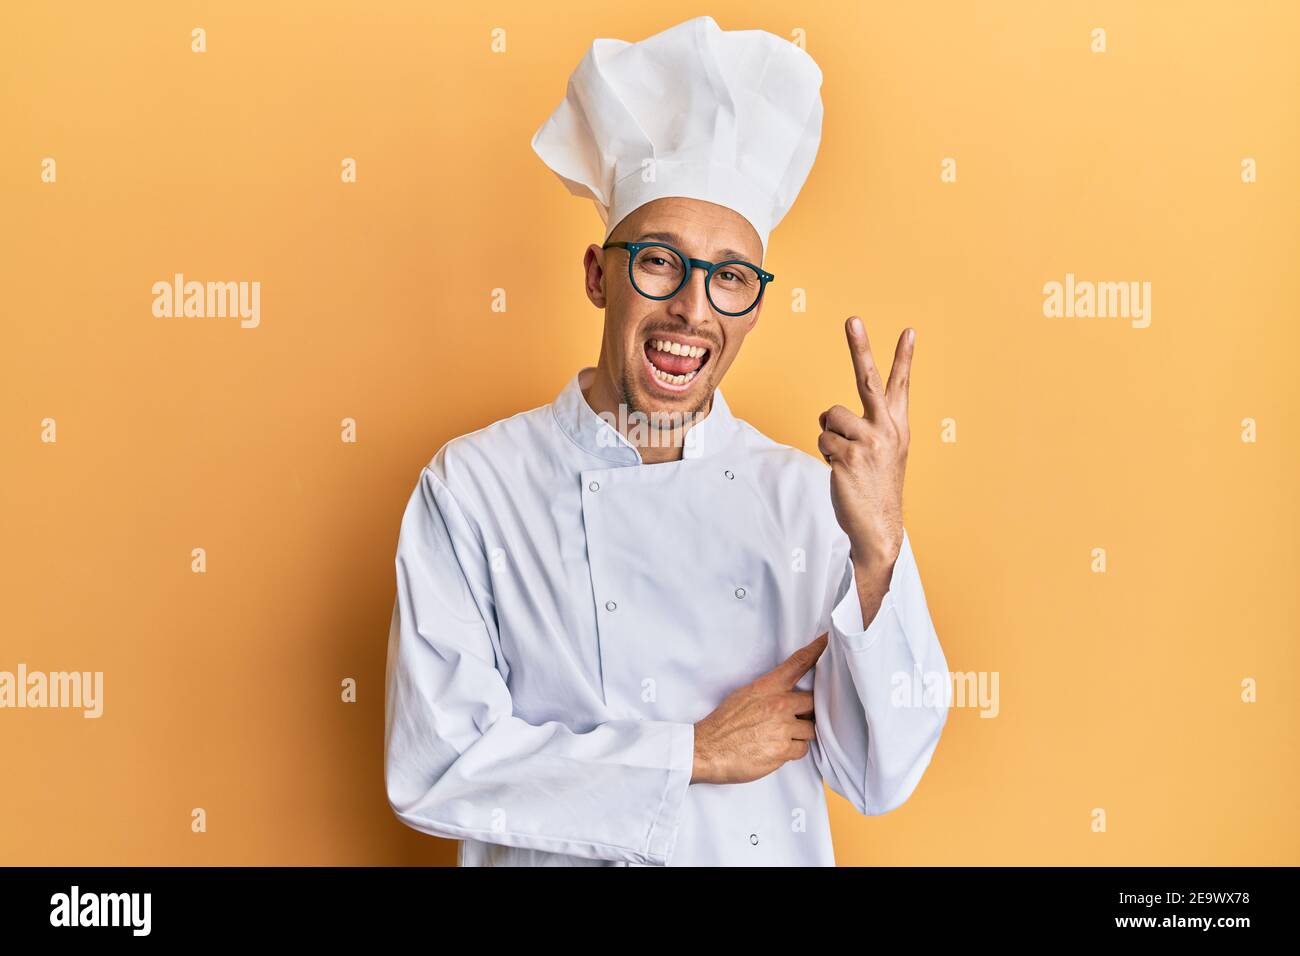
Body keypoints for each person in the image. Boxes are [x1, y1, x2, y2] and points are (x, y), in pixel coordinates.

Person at [383, 14, 948, 866]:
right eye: (658, 261)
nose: (692, 308)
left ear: (752, 309)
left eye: (729, 278)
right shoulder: (474, 488)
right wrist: (693, 753)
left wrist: (880, 554)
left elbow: (882, 773)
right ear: (598, 274)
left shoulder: (808, 500)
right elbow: (435, 767)